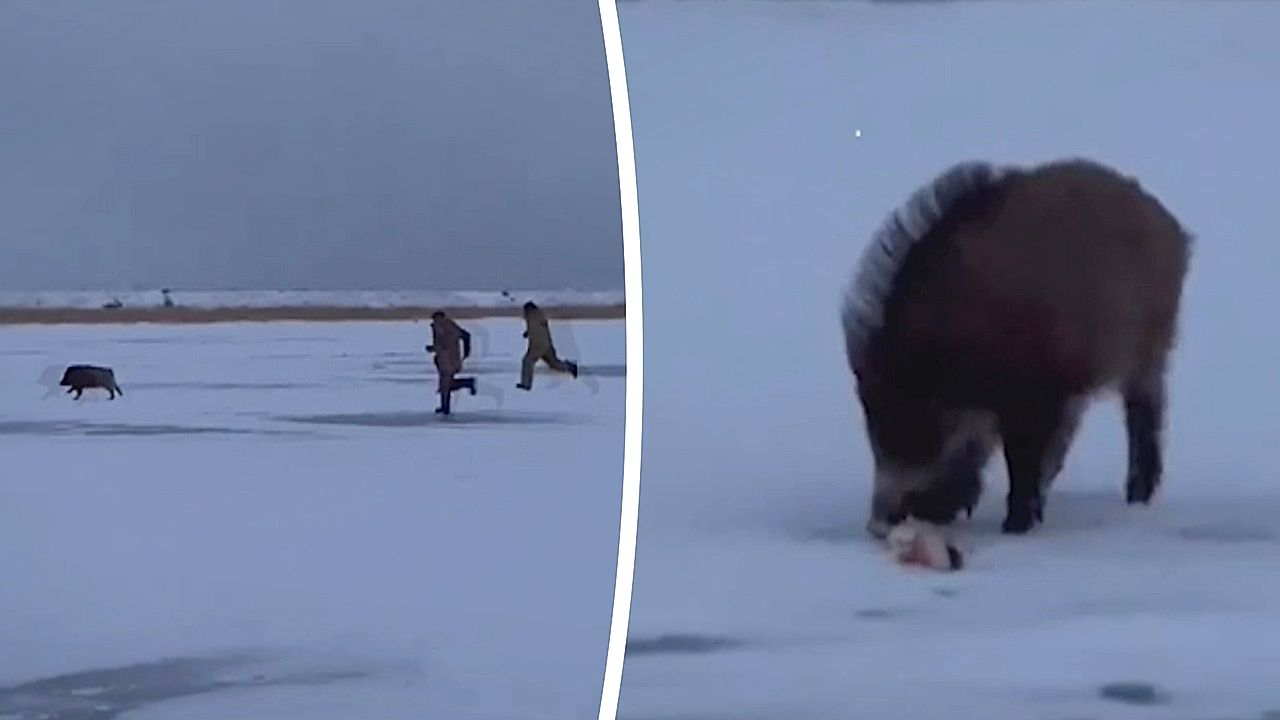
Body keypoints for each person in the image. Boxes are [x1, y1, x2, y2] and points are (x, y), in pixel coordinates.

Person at [517, 301, 578, 390]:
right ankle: (570, 367)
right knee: (554, 363)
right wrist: (528, 333)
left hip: (538, 345)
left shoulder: (531, 316)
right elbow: (539, 327)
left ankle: (526, 384)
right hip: (546, 343)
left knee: (527, 361)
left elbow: (536, 330)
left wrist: (530, 335)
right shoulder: (538, 315)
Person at [426, 310, 476, 414]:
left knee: (445, 385)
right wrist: (466, 352)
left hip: (446, 360)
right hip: (453, 359)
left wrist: (432, 348)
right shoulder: (451, 325)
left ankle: (445, 408)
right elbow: (466, 336)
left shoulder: (440, 327)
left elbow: (442, 345)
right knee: (447, 384)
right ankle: (467, 383)